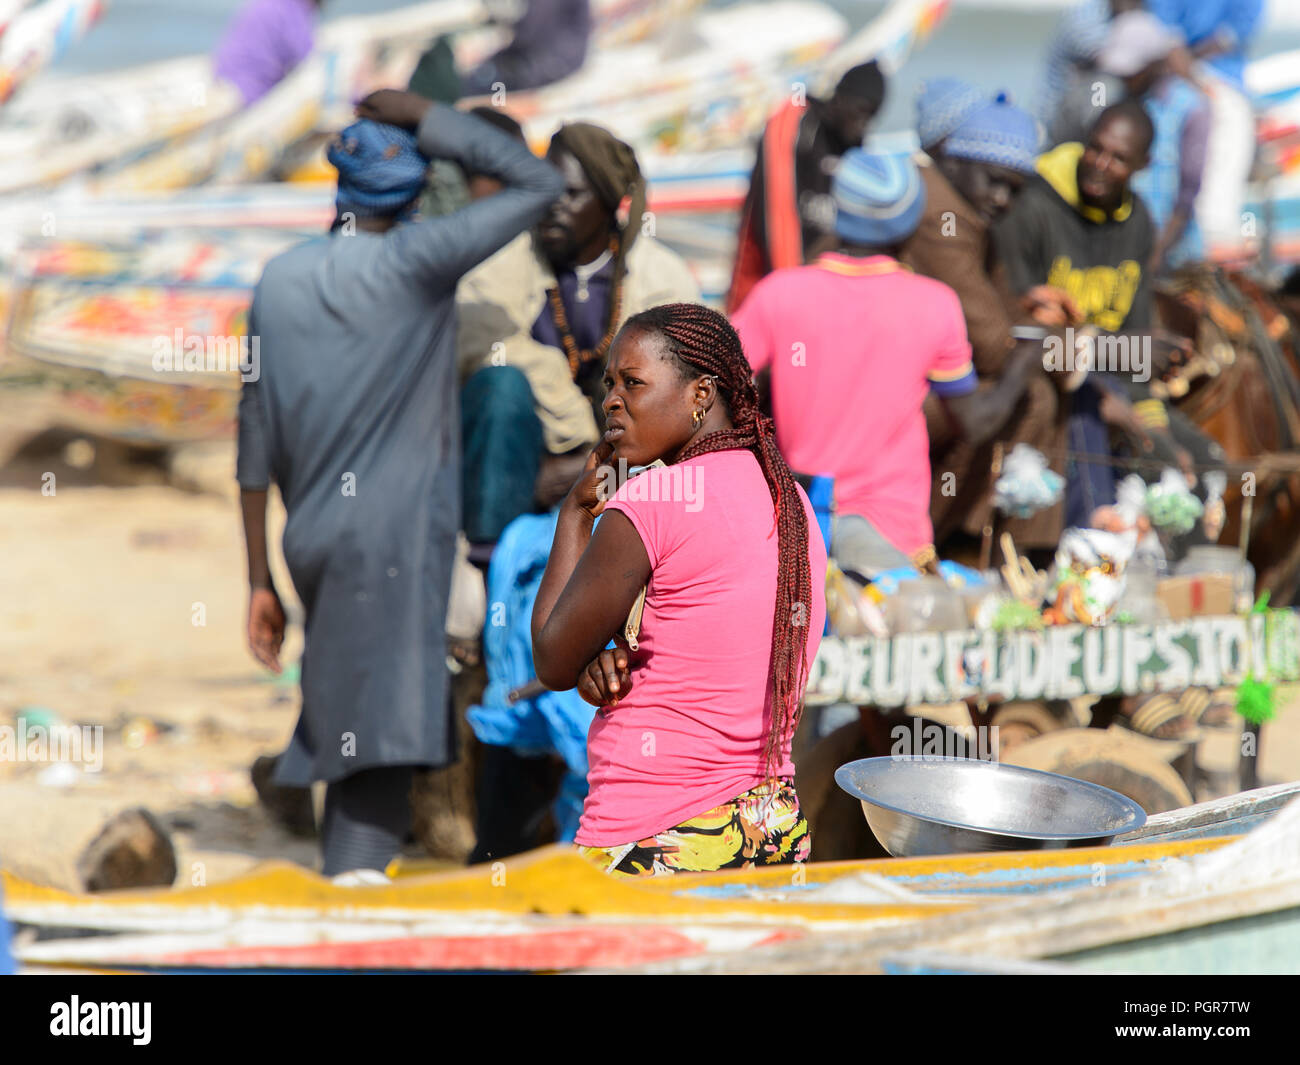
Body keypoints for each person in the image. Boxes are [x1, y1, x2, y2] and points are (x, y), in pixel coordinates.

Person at [236, 90, 562, 881]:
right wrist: (431, 115)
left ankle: (345, 886)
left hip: (311, 538)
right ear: (416, 194)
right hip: (392, 542)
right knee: (373, 752)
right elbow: (538, 185)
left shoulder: (277, 282)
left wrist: (257, 579)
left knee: (352, 716)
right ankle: (350, 918)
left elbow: (253, 444)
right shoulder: (420, 262)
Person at [531, 303, 827, 876]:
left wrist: (574, 514)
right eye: (609, 385)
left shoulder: (650, 503)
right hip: (769, 828)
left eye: (633, 383)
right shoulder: (792, 504)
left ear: (700, 394)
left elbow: (550, 658)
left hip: (654, 832)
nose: (612, 401)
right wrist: (604, 653)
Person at [733, 149, 1039, 577]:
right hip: (893, 535)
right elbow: (974, 421)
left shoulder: (779, 294)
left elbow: (714, 379)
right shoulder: (933, 304)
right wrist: (1021, 367)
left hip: (796, 526)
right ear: (910, 220)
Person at [457, 121, 699, 547]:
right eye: (546, 194)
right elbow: (474, 342)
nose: (554, 207)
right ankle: (491, 564)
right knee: (499, 384)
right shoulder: (503, 264)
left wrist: (596, 466)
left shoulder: (662, 279)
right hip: (527, 471)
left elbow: (690, 404)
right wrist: (566, 427)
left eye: (571, 195)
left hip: (629, 473)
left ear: (607, 202)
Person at [994, 101, 1224, 530]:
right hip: (1051, 380)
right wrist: (1117, 382)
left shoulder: (1137, 224)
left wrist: (1153, 424)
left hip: (1113, 377)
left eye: (1118, 158)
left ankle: (1182, 589)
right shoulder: (1031, 207)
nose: (1100, 164)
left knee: (1204, 464)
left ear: (1143, 164)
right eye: (1095, 148)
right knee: (1138, 452)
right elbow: (1019, 333)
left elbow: (1137, 352)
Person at [901, 82, 1064, 552]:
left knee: (1033, 384)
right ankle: (952, 541)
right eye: (994, 181)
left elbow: (1003, 308)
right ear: (951, 159)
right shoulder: (940, 218)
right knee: (1027, 395)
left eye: (1014, 189)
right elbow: (995, 346)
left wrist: (1048, 336)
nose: (1002, 199)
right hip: (886, 397)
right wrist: (1071, 346)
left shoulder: (960, 209)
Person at [726, 61, 887, 313]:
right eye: (861, 112)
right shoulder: (794, 123)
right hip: (767, 287)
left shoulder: (852, 142)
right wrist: (797, 305)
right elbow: (778, 220)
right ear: (841, 99)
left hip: (818, 292)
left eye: (872, 117)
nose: (863, 124)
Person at [1146, 0, 1264, 262]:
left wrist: (1189, 64)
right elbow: (1163, 26)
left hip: (1202, 73)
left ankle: (1207, 236)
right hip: (1179, 75)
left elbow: (1235, 32)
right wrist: (1186, 69)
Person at [1096, 9, 1211, 274]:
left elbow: (1188, 191)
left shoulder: (1191, 108)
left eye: (1132, 71)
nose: (1125, 78)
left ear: (1153, 62)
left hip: (1173, 253)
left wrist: (1157, 251)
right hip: (1124, 246)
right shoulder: (1121, 99)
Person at [1037, 0, 1140, 147]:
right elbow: (1113, 62)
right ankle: (1097, 148)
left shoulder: (1139, 11)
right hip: (1057, 119)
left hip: (1086, 104)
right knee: (1104, 86)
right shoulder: (1084, 17)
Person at [460, 0, 592, 96]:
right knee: (482, 75)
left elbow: (528, 33)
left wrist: (492, 50)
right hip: (558, 56)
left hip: (551, 62)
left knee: (482, 83)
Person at [213, 0, 322, 107]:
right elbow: (308, 58)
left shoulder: (268, 3)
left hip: (223, 72)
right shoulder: (294, 11)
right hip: (249, 86)